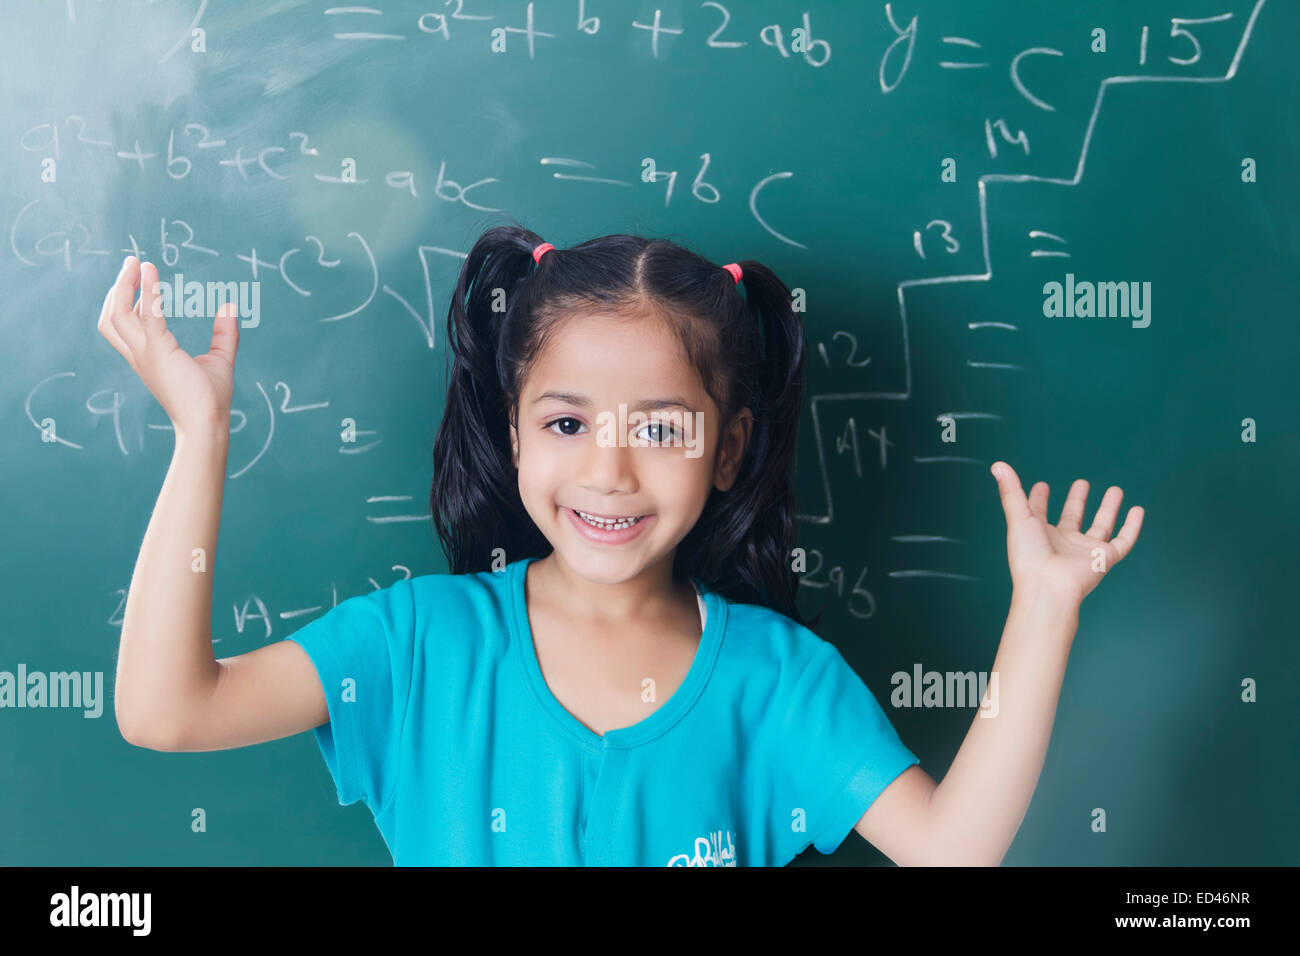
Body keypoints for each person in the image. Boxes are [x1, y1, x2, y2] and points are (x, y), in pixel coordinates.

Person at [103, 223, 1144, 866]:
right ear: (512, 431)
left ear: (728, 446)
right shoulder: (418, 643)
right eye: (566, 423)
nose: (609, 470)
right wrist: (201, 434)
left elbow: (953, 852)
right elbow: (165, 710)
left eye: (660, 427)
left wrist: (1044, 611)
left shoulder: (779, 682)